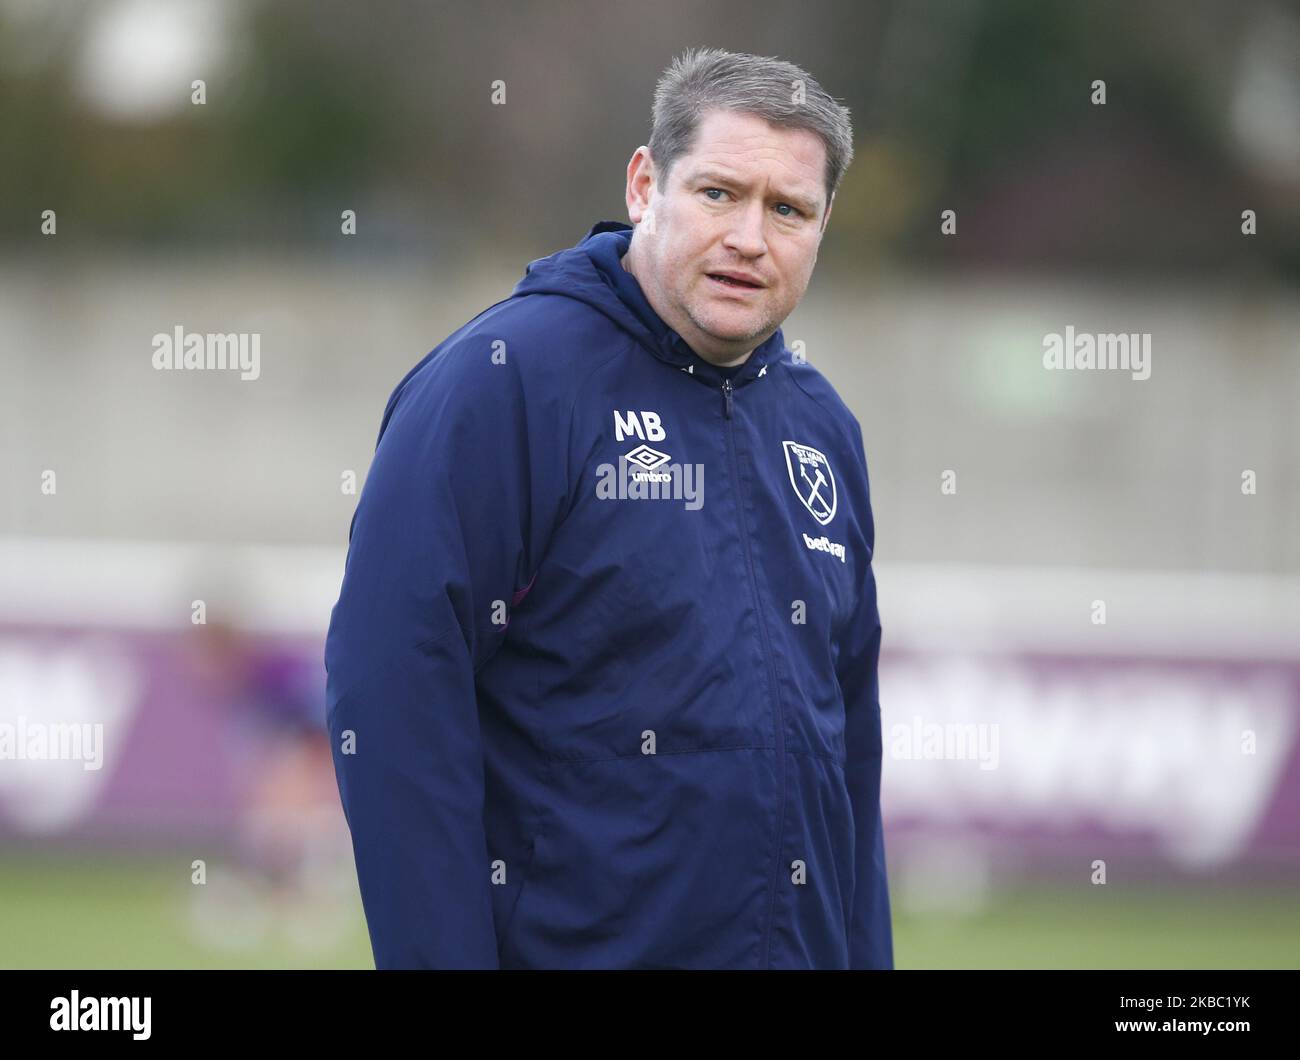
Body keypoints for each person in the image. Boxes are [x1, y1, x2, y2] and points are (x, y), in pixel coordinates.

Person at [325, 46, 892, 969]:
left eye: (787, 209)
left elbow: (850, 748)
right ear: (644, 185)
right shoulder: (504, 384)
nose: (750, 237)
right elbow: (392, 697)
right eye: (718, 193)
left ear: (823, 224)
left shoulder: (821, 425)